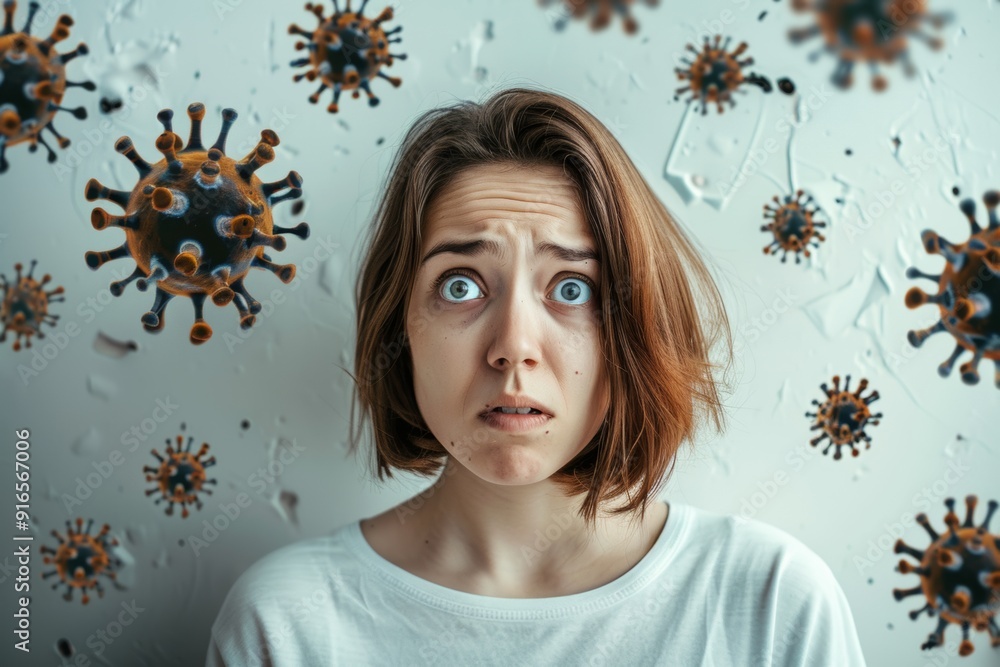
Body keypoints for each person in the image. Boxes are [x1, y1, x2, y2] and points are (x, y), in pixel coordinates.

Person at [205, 86, 867, 666]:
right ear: (398, 330)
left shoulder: (771, 602)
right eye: (460, 285)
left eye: (572, 288)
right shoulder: (288, 624)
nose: (514, 347)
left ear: (634, 329)